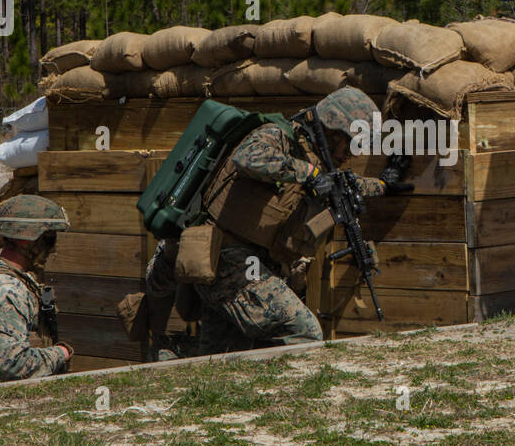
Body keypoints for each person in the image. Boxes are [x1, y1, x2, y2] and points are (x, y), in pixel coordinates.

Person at [145, 87, 392, 355]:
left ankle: (174, 354)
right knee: (304, 332)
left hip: (247, 265)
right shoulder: (278, 136)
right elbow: (248, 158)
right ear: (332, 131)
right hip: (227, 258)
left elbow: (343, 184)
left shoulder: (318, 162)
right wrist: (308, 173)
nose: (354, 154)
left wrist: (385, 184)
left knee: (221, 358)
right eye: (352, 144)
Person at [0, 195, 74, 380]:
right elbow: (11, 365)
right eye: (49, 239)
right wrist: (60, 353)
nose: (53, 249)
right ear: (26, 241)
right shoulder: (7, 291)